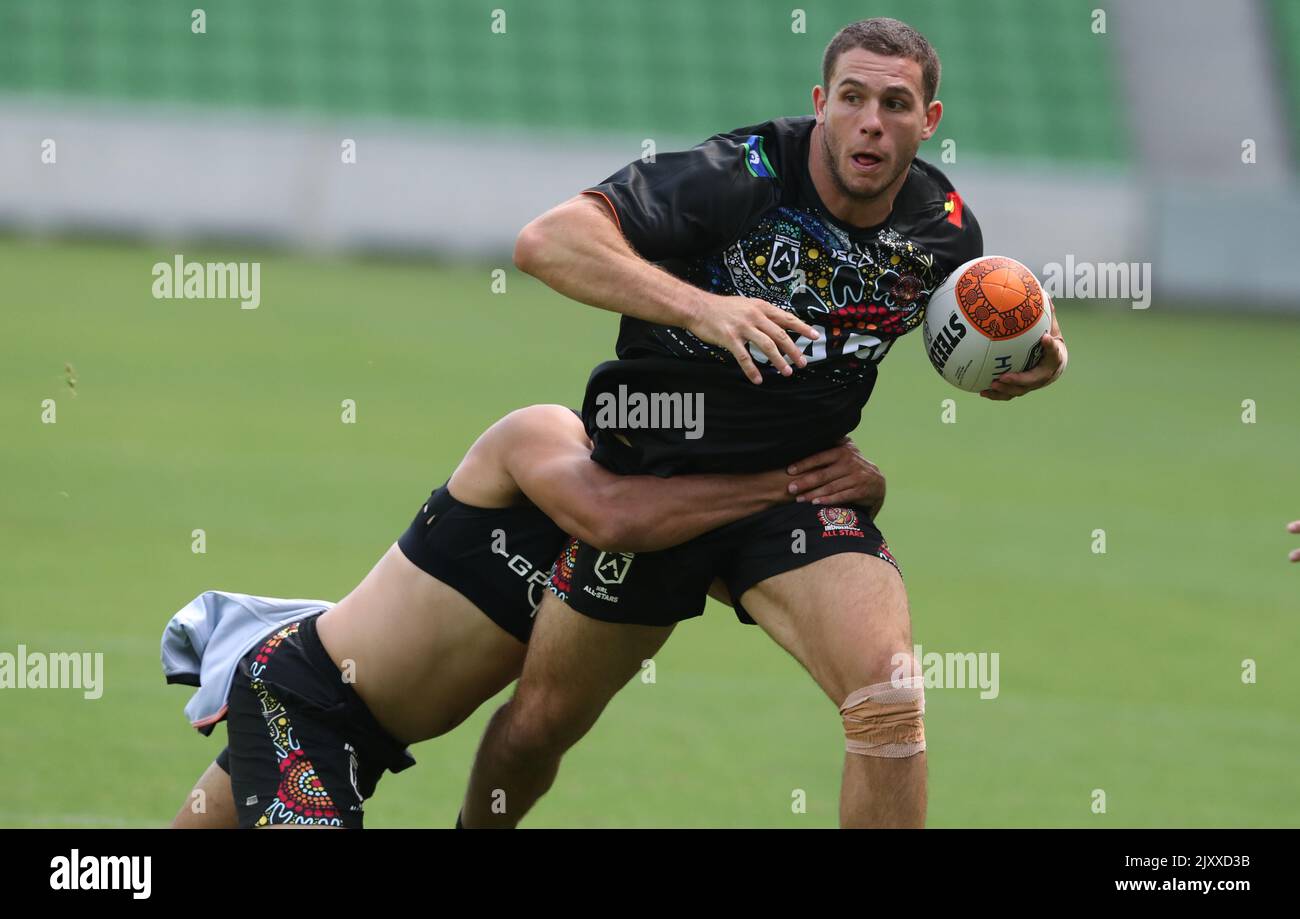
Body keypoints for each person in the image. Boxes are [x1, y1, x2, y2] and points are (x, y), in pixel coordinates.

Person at [459, 18, 1068, 829]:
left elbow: (981, 329)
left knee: (888, 698)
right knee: (540, 723)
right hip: (652, 487)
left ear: (929, 122)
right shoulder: (739, 174)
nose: (871, 121)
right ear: (821, 104)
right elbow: (548, 242)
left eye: (895, 103)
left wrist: (1033, 363)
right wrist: (703, 308)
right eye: (852, 98)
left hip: (797, 494)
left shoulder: (945, 229)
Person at [166, 404, 885, 827]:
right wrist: (774, 486)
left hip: (366, 734)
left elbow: (785, 570)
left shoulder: (674, 531)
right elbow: (607, 516)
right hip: (304, 691)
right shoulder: (538, 435)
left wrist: (854, 492)